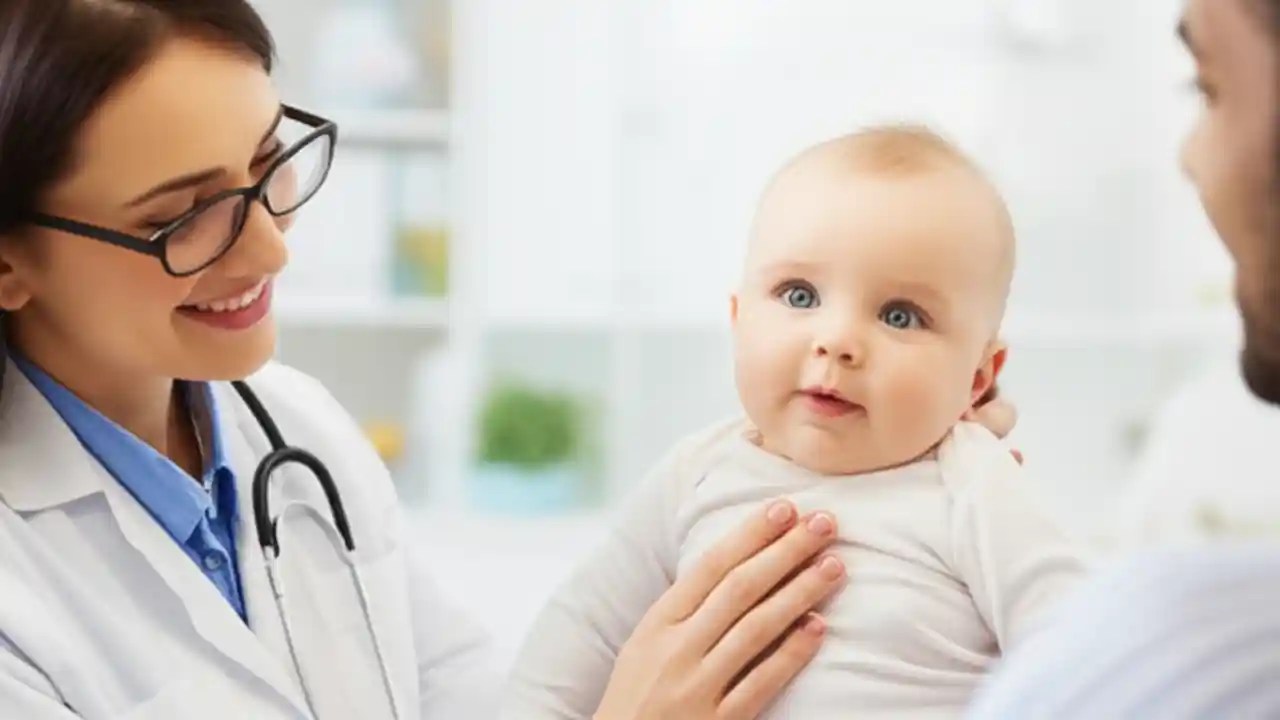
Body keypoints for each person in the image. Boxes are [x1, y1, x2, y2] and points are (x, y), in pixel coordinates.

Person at [0, 1, 963, 718]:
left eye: (267, 165)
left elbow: (477, 697)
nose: (272, 248)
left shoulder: (296, 429)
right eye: (184, 216)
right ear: (10, 261)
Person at [503, 127, 1086, 719]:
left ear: (978, 377)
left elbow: (1082, 657)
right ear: (738, 320)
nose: (836, 340)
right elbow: (576, 643)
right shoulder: (694, 476)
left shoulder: (974, 484)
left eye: (900, 315)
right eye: (800, 295)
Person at [966, 0, 1280, 715]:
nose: (1190, 158)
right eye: (797, 295)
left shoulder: (1163, 654)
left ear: (983, 371)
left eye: (1208, 87)